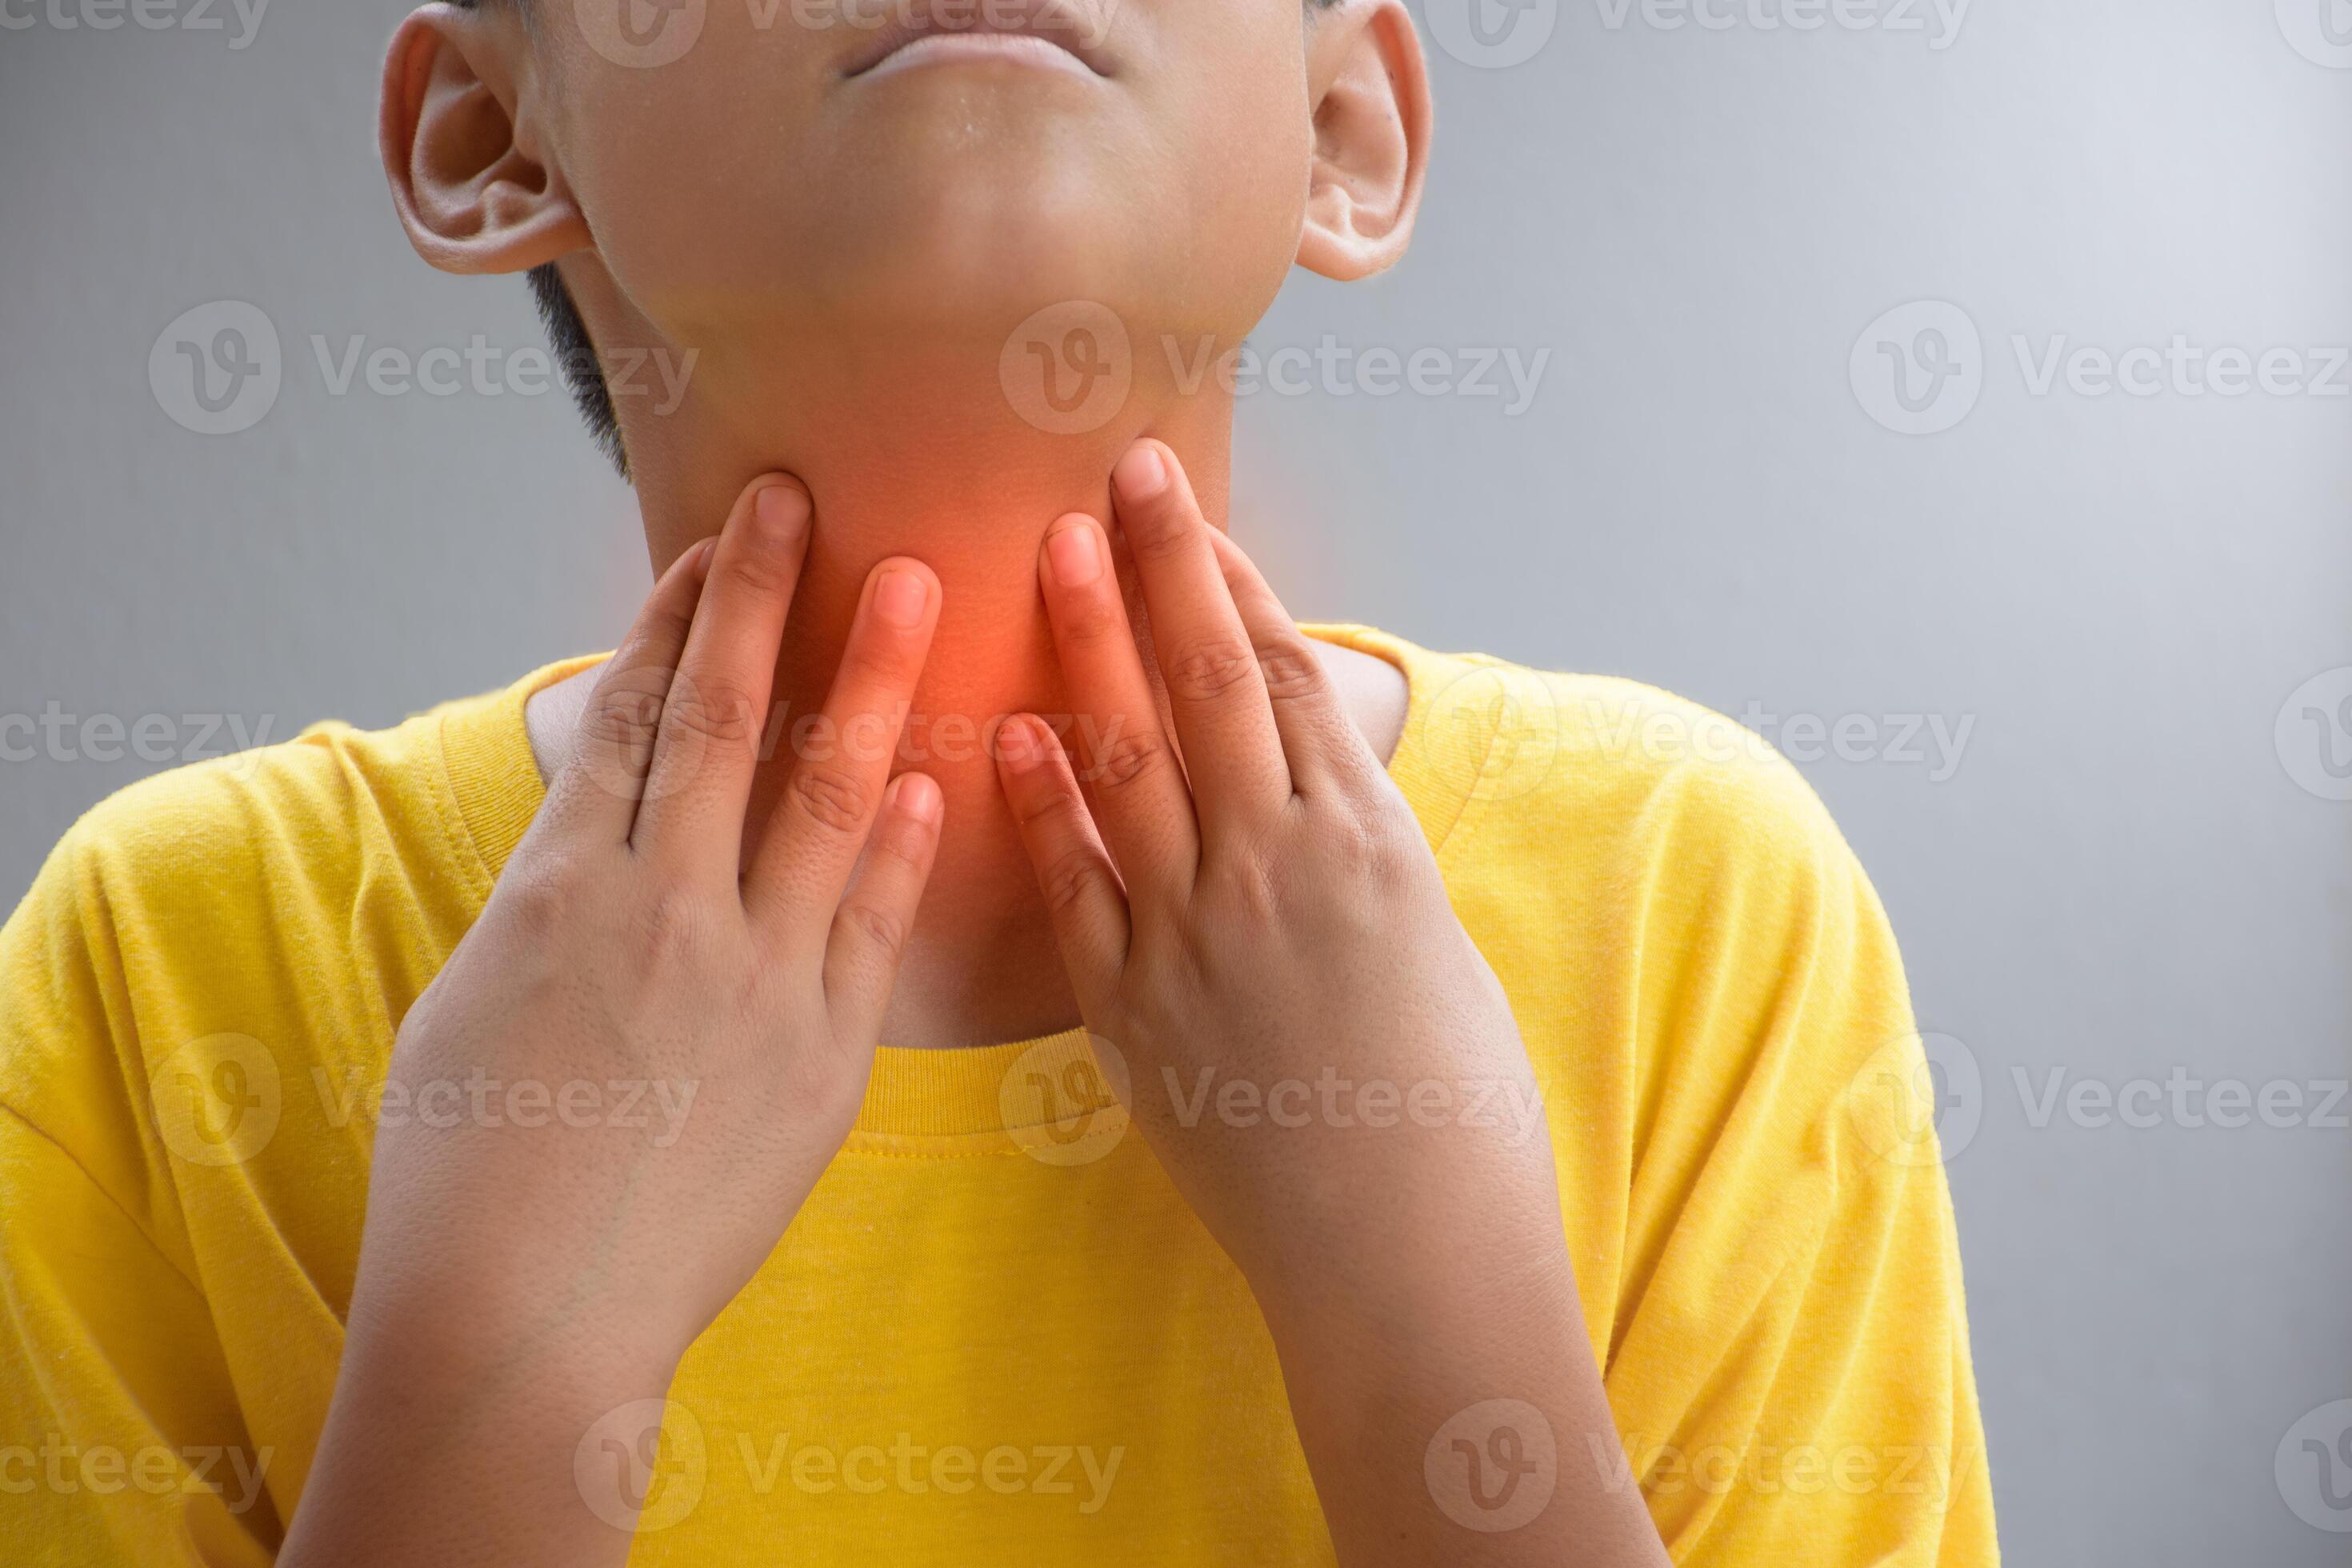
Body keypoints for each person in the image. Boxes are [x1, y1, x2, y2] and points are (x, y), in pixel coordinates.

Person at [0, 1, 1998, 1562]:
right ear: (490, 135)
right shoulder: (159, 969)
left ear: (1346, 135)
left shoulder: (1699, 907)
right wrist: (514, 1365)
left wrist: (1437, 1316)